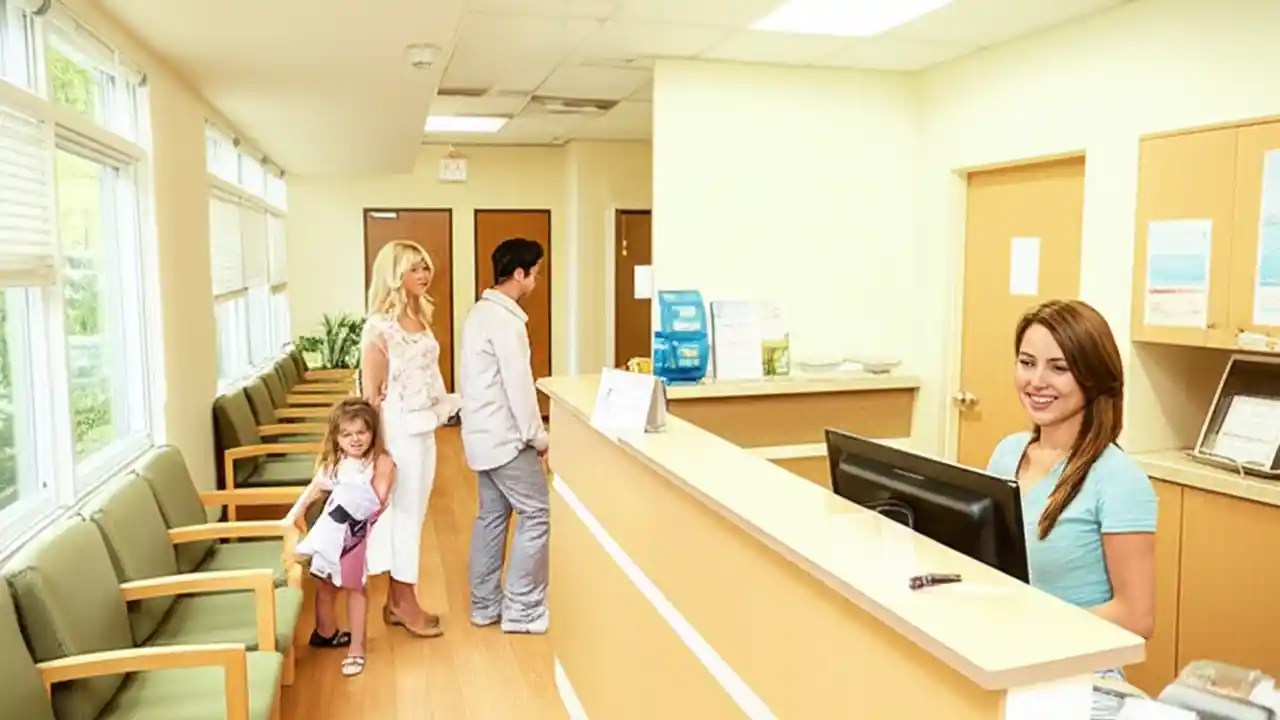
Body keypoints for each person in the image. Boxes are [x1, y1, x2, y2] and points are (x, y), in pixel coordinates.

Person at [985, 299, 1157, 679]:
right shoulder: (1007, 452)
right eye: (1027, 363)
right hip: (1007, 658)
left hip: (1078, 674)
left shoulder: (1119, 480)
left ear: (1092, 377)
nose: (1036, 381)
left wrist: (1033, 627)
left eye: (1059, 368)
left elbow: (1137, 617)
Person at [361, 239, 458, 638]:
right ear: (394, 275)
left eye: (425, 266)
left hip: (424, 429)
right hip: (398, 431)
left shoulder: (419, 317)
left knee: (414, 515)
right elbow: (370, 397)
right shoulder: (379, 328)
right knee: (402, 517)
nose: (424, 274)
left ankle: (396, 601)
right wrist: (379, 451)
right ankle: (404, 602)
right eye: (414, 268)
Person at [459, 236, 550, 634]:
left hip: (482, 436)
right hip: (507, 440)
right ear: (519, 273)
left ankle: (485, 607)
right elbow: (519, 387)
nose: (537, 281)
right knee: (537, 514)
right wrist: (539, 437)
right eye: (536, 273)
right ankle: (522, 610)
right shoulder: (506, 322)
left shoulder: (479, 314)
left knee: (492, 517)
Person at [288, 398, 395, 677]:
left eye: (361, 432)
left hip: (357, 534)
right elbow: (315, 487)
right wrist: (296, 513)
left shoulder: (381, 462)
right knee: (325, 583)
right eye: (346, 434)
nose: (355, 439)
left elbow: (375, 501)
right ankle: (325, 632)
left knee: (355, 586)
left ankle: (356, 648)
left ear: (373, 432)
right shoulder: (335, 463)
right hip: (331, 531)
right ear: (336, 438)